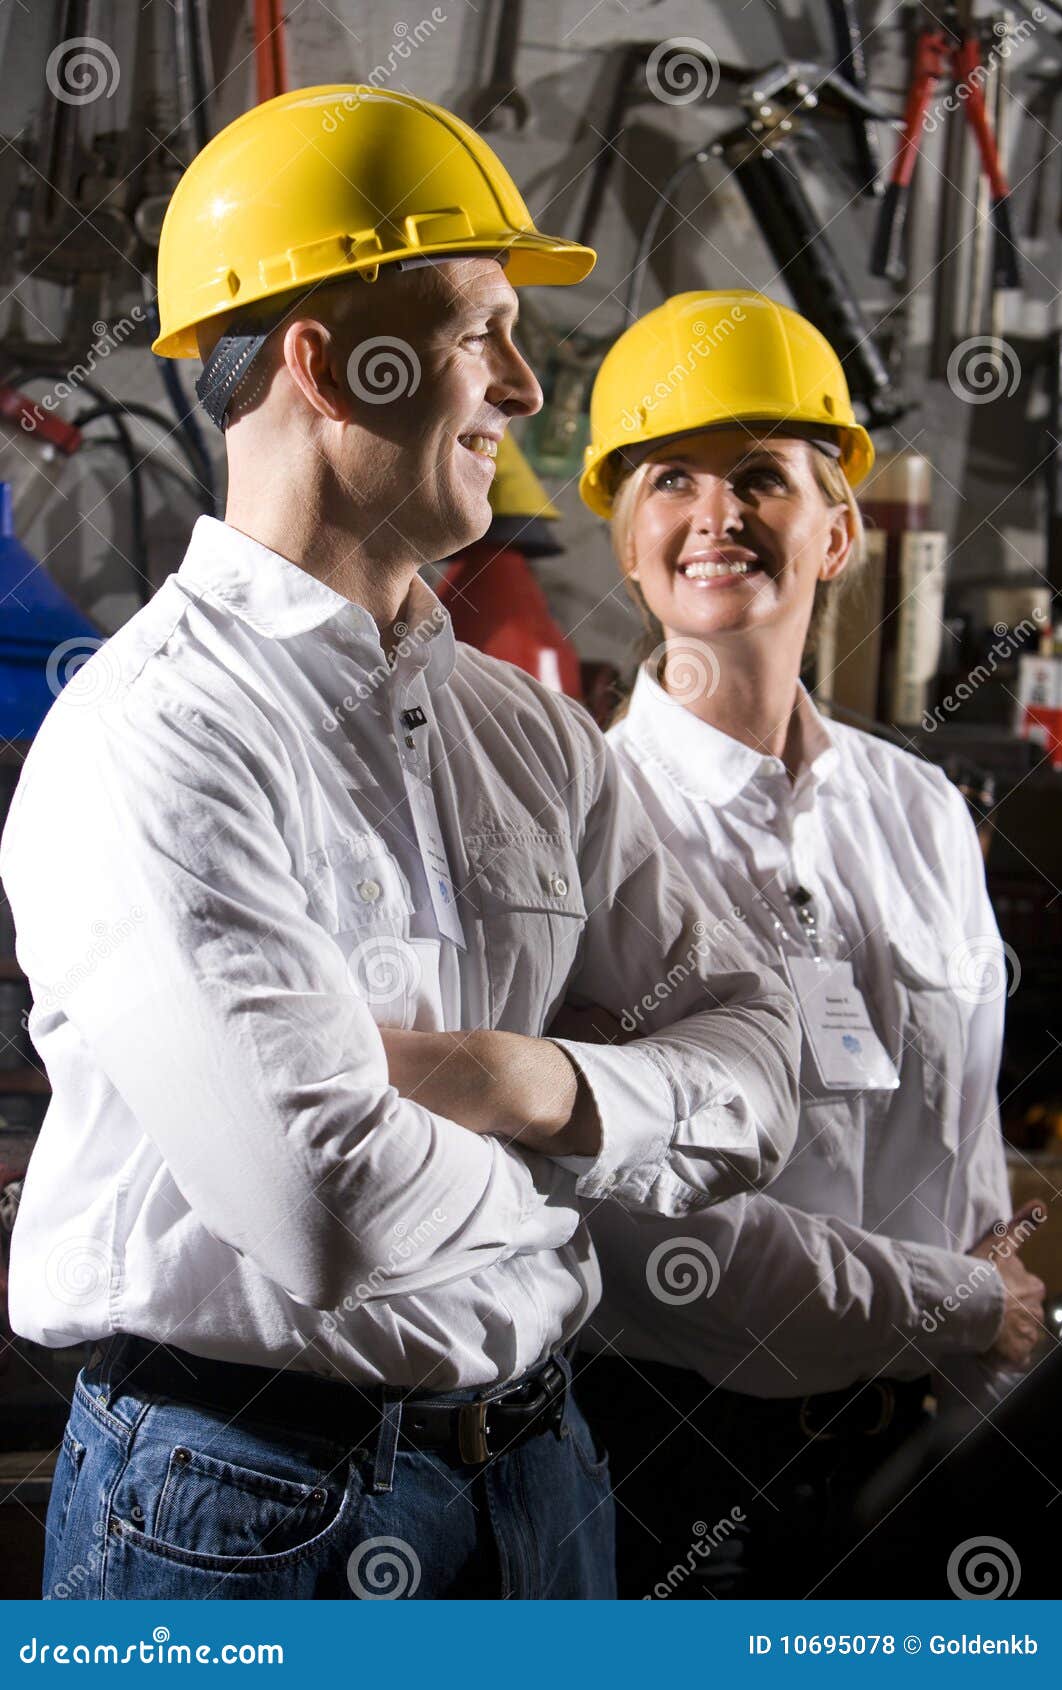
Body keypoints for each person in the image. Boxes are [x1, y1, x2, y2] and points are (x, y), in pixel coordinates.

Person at [0, 98, 801, 1601]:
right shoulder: (152, 740)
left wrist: (532, 1081)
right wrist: (609, 1171)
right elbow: (330, 1214)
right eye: (482, 328)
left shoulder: (534, 732)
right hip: (243, 1502)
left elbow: (765, 1056)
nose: (521, 379)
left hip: (544, 1472)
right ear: (322, 359)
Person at [565, 290, 1045, 1599]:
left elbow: (966, 1147)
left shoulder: (921, 808)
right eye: (672, 478)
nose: (717, 516)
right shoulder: (593, 828)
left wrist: (986, 1355)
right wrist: (959, 1306)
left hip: (936, 1440)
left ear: (837, 534)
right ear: (628, 541)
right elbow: (653, 1234)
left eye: (763, 477)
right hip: (692, 1463)